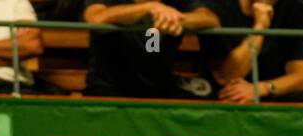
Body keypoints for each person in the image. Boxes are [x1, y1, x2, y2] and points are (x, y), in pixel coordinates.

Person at [83, 1, 217, 98]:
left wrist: (174, 18)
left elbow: (210, 19)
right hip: (108, 90)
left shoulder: (174, 5)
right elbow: (96, 18)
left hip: (160, 90)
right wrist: (150, 8)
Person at [200, 0, 303, 102]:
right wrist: (260, 26)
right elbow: (227, 77)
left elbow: (302, 78)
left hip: (272, 90)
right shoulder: (221, 6)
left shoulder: (296, 7)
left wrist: (260, 88)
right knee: (230, 96)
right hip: (227, 90)